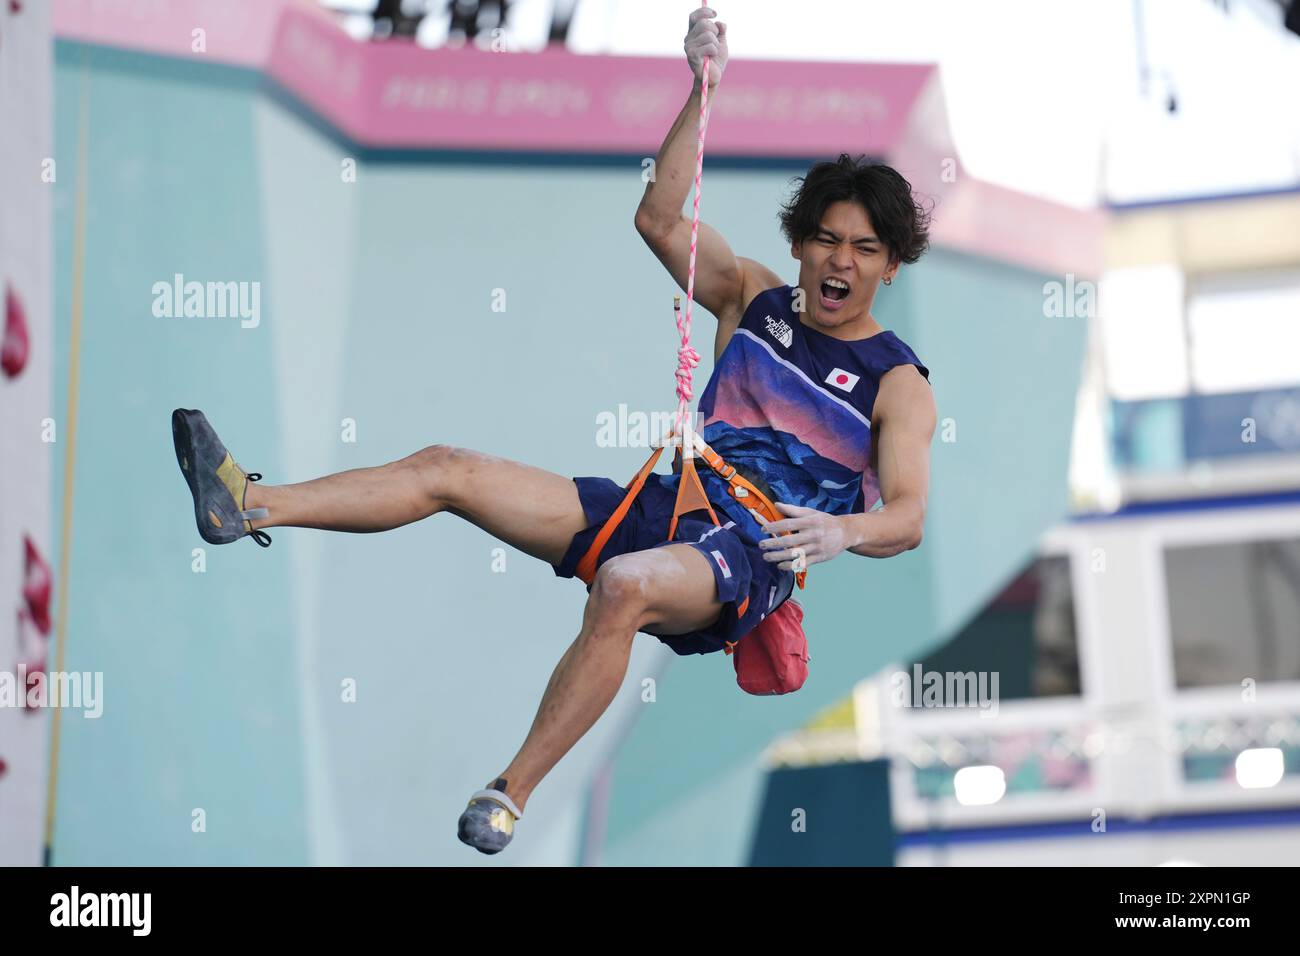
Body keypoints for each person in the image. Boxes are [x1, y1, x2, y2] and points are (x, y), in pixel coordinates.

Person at [170, 6, 936, 856]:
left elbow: (906, 517)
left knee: (623, 586)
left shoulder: (896, 384)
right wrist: (701, 89)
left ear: (891, 263)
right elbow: (658, 217)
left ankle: (509, 793)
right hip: (659, 503)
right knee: (447, 468)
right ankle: (248, 504)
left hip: (746, 557)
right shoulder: (752, 297)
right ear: (799, 244)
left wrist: (839, 532)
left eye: (864, 249)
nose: (841, 261)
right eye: (826, 240)